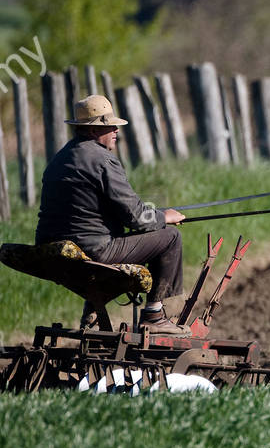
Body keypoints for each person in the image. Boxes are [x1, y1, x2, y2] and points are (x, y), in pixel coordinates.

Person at [35, 95, 189, 333]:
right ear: (94, 128)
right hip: (91, 250)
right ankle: (154, 316)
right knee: (170, 238)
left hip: (55, 249)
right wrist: (162, 217)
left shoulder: (59, 159)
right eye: (110, 125)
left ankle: (93, 309)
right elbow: (136, 217)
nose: (116, 130)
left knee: (129, 240)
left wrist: (151, 214)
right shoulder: (103, 160)